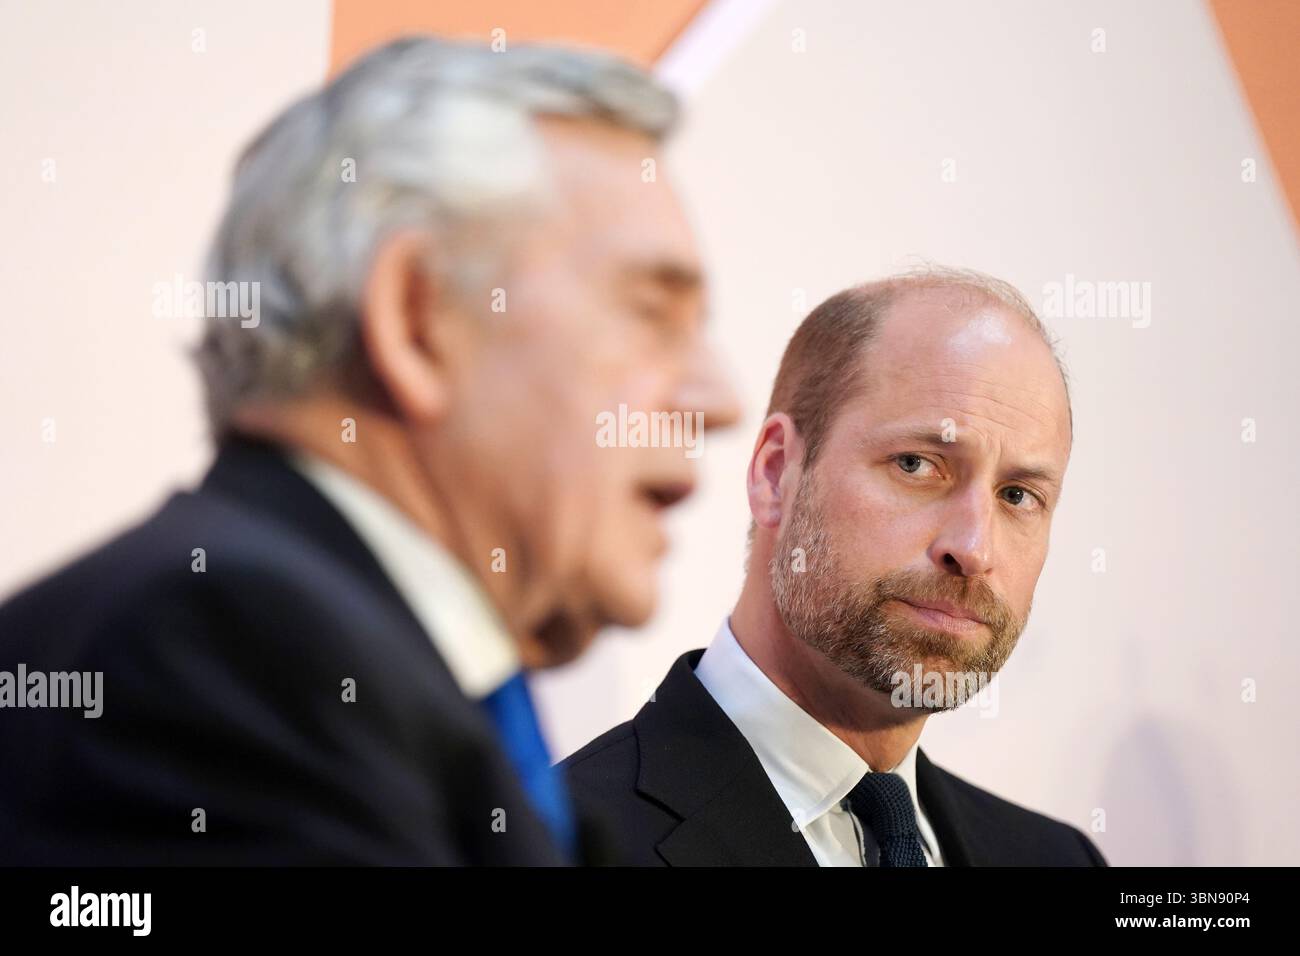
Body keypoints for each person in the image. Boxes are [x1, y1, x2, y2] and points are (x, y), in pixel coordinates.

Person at [0, 36, 738, 865]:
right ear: (417, 321)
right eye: (650, 313)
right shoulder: (231, 654)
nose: (719, 401)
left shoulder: (398, 698)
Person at [564, 268, 1106, 866]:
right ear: (776, 474)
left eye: (1017, 495)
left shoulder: (1058, 859)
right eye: (916, 464)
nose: (974, 548)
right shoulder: (550, 847)